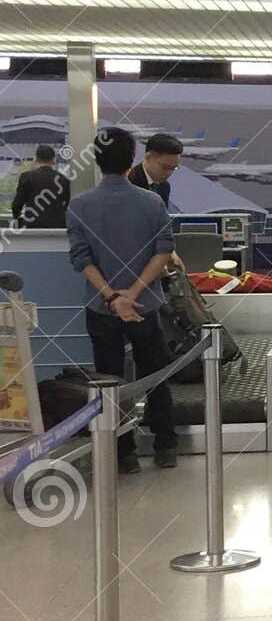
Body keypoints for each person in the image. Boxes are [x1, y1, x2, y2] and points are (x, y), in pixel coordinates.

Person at [65, 127, 178, 472]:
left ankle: (123, 453)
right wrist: (134, 293)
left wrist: (113, 296)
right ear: (133, 160)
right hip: (146, 305)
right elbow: (164, 251)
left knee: (109, 381)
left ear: (96, 161)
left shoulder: (80, 205)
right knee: (155, 375)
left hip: (102, 309)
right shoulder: (151, 202)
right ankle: (165, 446)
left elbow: (81, 259)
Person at [9, 144, 70, 228]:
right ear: (53, 159)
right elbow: (67, 204)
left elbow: (16, 205)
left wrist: (18, 219)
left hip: (31, 225)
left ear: (36, 159)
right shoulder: (63, 180)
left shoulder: (26, 177)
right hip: (57, 226)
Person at [128, 131, 183, 206]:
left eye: (174, 168)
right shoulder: (128, 182)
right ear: (148, 157)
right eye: (165, 167)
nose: (168, 173)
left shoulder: (164, 186)